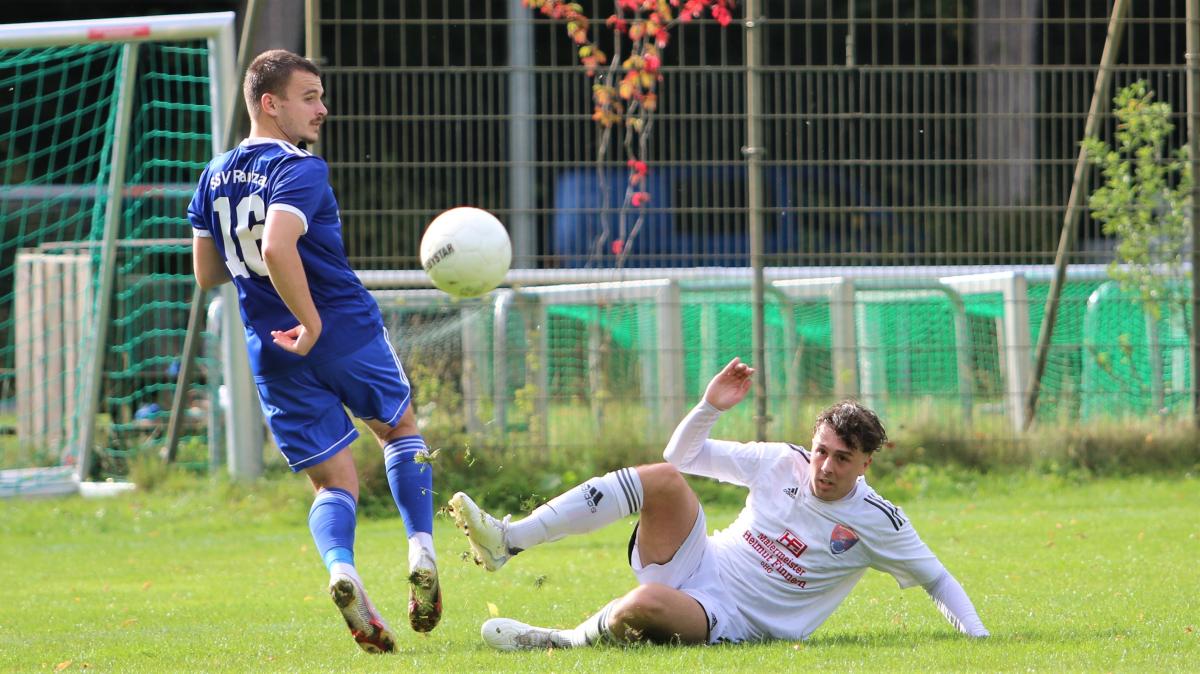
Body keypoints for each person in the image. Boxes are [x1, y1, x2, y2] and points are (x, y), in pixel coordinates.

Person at [449, 357, 988, 649]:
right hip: (700, 557)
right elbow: (680, 453)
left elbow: (937, 579)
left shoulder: (879, 522)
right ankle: (508, 540)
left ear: (868, 462)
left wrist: (980, 641)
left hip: (731, 616)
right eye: (821, 451)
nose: (824, 467)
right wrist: (710, 405)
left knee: (645, 605)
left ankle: (561, 642)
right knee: (662, 478)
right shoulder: (781, 460)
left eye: (842, 459)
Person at [188, 49, 440, 653]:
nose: (322, 109)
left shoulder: (213, 175)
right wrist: (309, 320)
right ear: (269, 104)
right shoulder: (300, 168)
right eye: (309, 97)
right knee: (400, 430)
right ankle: (423, 550)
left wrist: (268, 290)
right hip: (339, 330)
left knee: (333, 486)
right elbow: (279, 247)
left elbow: (206, 274)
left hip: (270, 351)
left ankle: (342, 572)